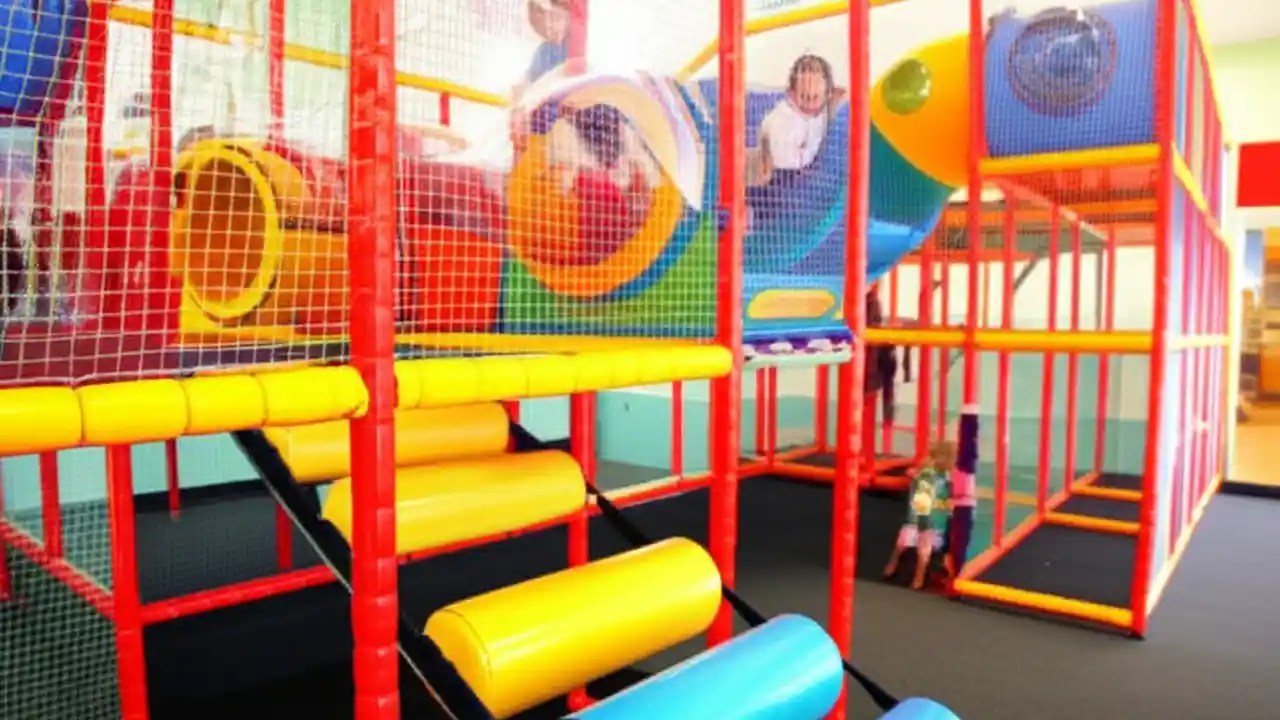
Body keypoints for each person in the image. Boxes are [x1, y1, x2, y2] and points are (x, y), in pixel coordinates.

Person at [883, 439, 955, 590]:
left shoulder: (934, 474)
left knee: (904, 543)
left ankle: (894, 565)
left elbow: (915, 478)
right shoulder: (935, 476)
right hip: (929, 520)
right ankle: (918, 577)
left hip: (921, 518)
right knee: (922, 549)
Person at [941, 405, 979, 580]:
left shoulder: (954, 471)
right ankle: (955, 573)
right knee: (959, 542)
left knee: (958, 542)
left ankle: (955, 572)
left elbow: (968, 446)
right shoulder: (957, 469)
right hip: (962, 506)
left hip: (961, 505)